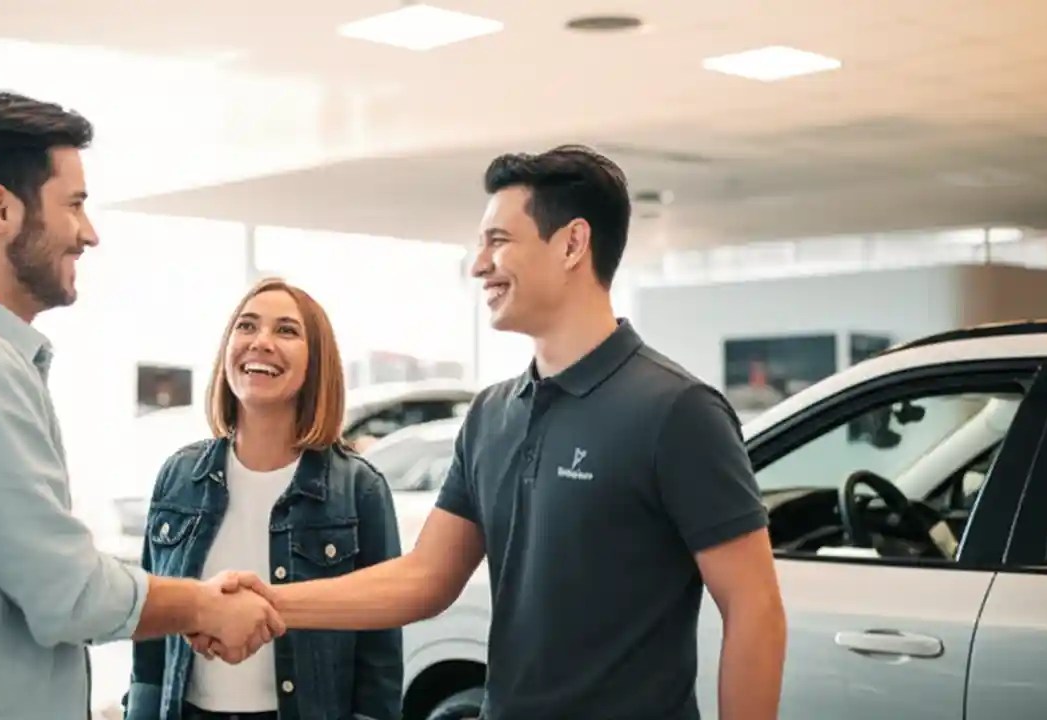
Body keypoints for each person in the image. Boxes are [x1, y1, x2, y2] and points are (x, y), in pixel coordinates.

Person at [201, 145, 788, 719]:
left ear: (572, 245)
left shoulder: (677, 410)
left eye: (498, 241)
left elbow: (753, 607)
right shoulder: (492, 415)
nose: (478, 264)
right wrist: (274, 602)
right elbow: (425, 577)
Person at [0, 91, 283, 720]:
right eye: (73, 205)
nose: (88, 234)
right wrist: (204, 606)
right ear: (1, 209)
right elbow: (66, 592)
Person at [125, 277, 403, 720]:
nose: (261, 343)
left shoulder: (359, 490)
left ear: (317, 362)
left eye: (287, 331)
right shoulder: (179, 476)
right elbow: (150, 643)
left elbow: (380, 658)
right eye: (247, 326)